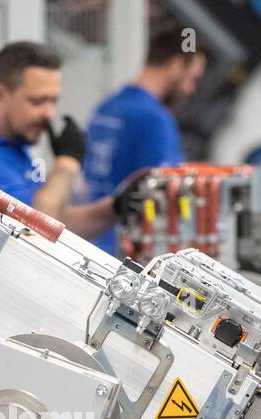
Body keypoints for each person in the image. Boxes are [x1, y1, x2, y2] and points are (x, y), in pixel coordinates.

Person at [0, 42, 117, 240]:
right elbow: (37, 233)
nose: (49, 114)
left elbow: (59, 223)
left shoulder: (13, 148)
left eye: (54, 101)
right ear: (0, 94)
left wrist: (114, 208)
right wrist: (68, 163)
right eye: (37, 101)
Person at [83, 24, 207, 254]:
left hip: (89, 238)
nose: (190, 90)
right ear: (177, 64)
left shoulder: (107, 106)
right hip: (125, 252)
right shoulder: (154, 119)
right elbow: (169, 195)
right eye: (192, 79)